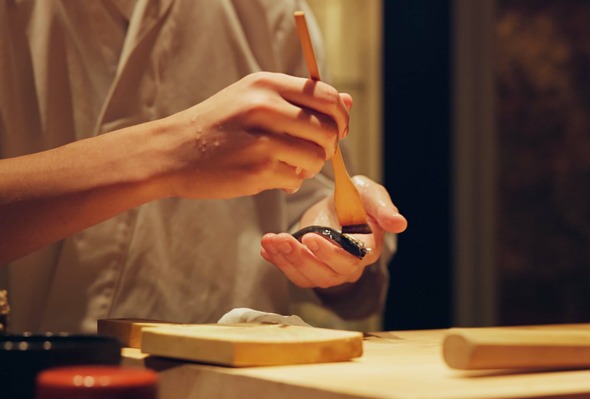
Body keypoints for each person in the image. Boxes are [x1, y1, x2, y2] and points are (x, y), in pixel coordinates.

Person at [0, 0, 407, 333]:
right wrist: (174, 152)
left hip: (237, 389)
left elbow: (359, 289)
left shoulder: (271, 12)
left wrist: (336, 250)